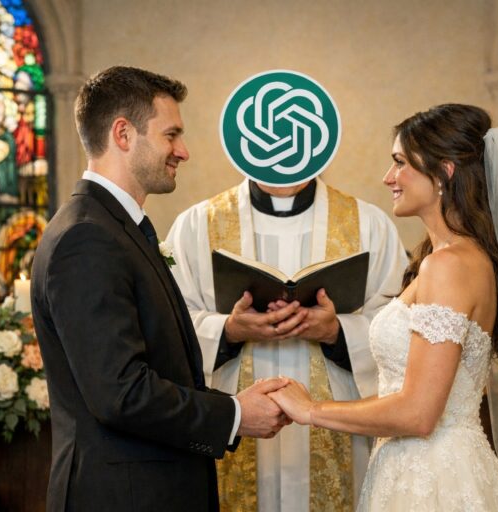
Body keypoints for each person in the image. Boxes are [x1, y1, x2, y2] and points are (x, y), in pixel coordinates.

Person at [268, 104, 498, 511]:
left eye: (400, 163)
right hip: (416, 470)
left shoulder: (450, 265)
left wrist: (310, 410)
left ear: (444, 171)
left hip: (436, 482)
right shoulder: (448, 257)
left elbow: (419, 414)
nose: (388, 178)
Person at [31, 66, 290, 512]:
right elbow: (120, 393)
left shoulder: (114, 228)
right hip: (122, 496)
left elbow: (158, 368)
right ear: (123, 134)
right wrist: (234, 415)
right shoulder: (87, 238)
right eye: (171, 135)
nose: (183, 151)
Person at [165, 175, 407, 510]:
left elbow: (398, 329)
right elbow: (169, 324)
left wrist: (336, 332)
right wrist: (230, 331)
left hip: (335, 430)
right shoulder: (196, 226)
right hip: (237, 424)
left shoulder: (367, 224)